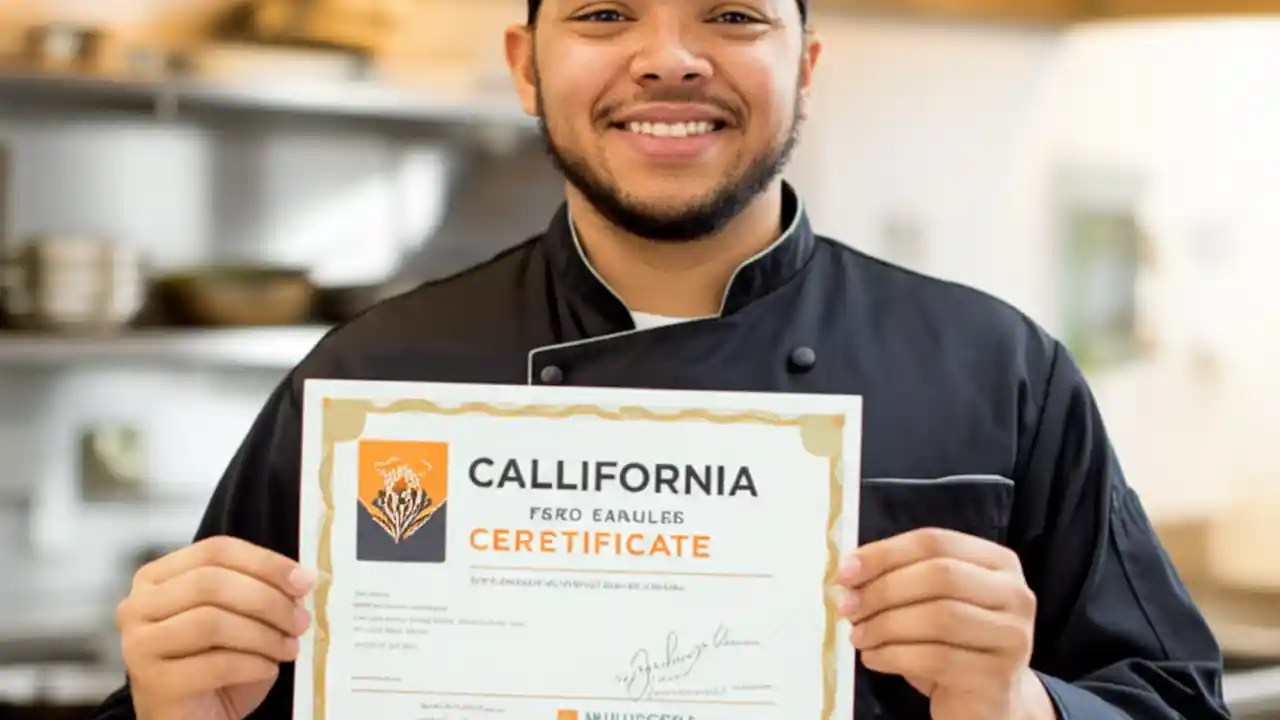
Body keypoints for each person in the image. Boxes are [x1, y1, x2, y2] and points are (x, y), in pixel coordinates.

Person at [91, 0, 1231, 718]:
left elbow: (1175, 701)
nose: (668, 60)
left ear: (805, 62)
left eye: (731, 15)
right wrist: (168, 706)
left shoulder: (998, 368)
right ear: (524, 64)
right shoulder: (371, 376)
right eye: (602, 14)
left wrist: (1020, 708)